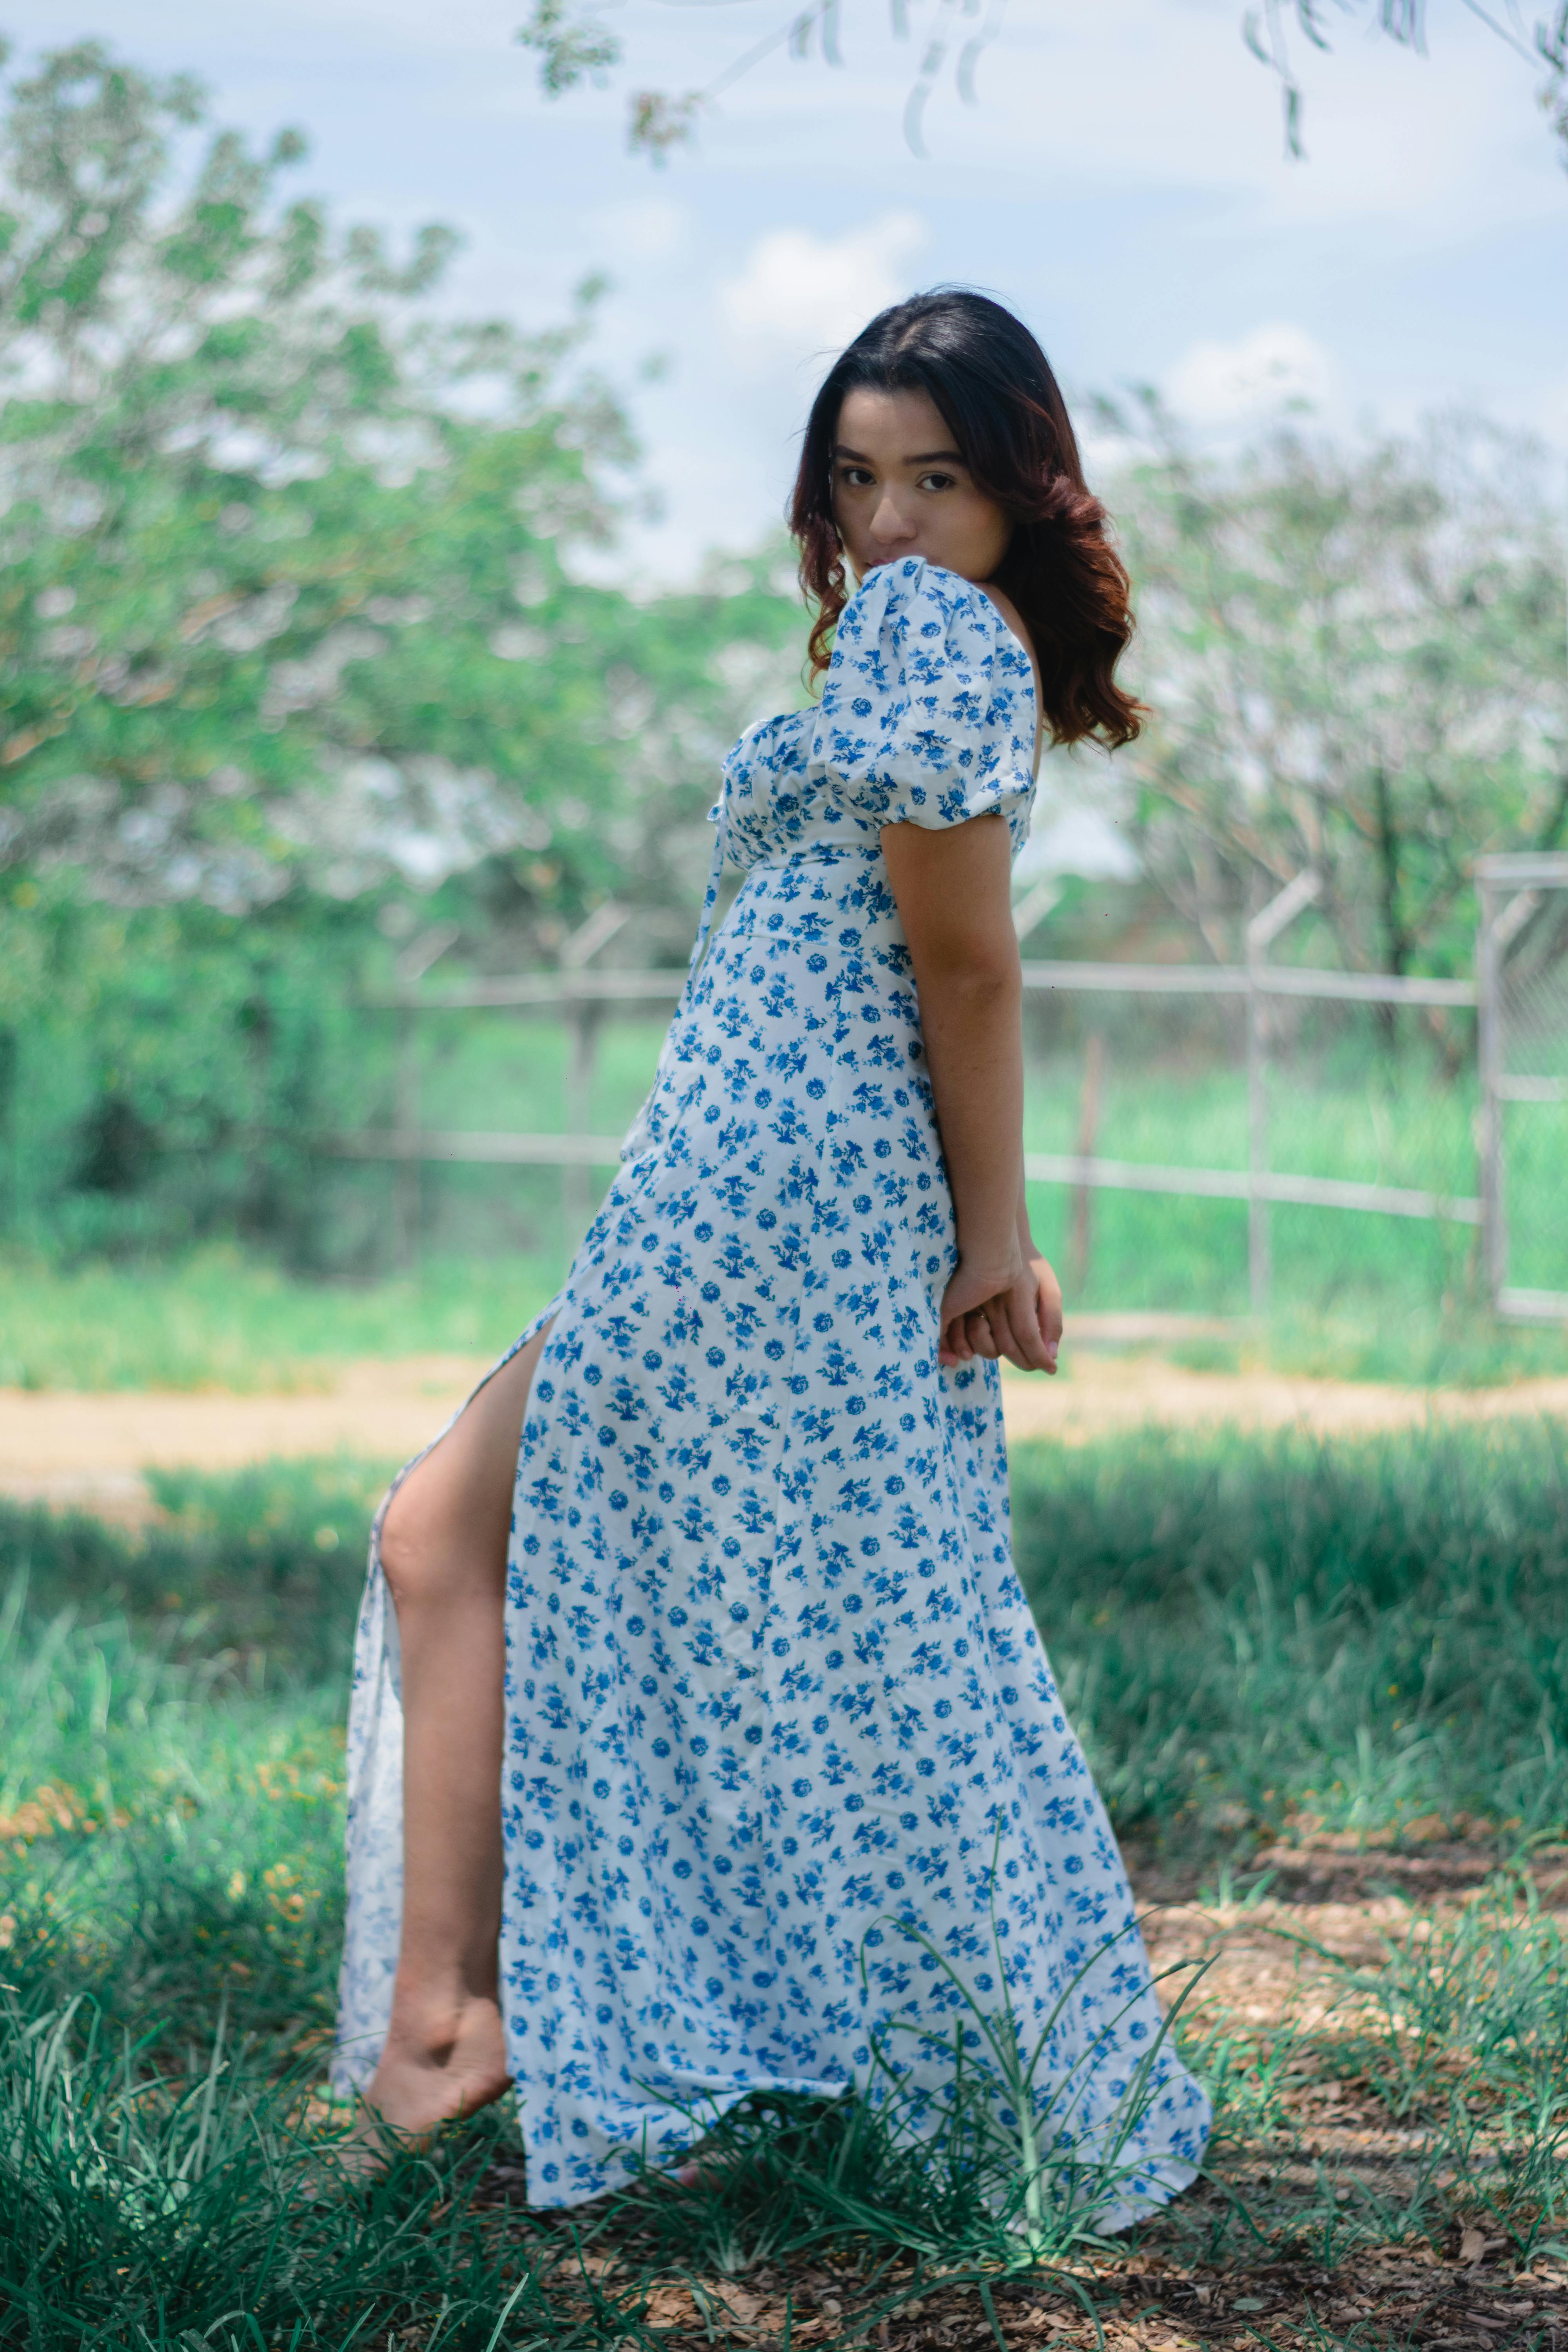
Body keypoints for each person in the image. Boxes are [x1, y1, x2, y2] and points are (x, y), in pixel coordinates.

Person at [332, 288, 1212, 2222]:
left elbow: (969, 964)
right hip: (771, 1179)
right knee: (837, 1592)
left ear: (1018, 493)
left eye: (937, 478)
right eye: (855, 476)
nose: (885, 523)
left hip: (772, 1188)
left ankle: (456, 2026)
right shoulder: (944, 648)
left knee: (465, 1534)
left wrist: (998, 1236)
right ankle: (494, 2017)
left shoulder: (922, 641)